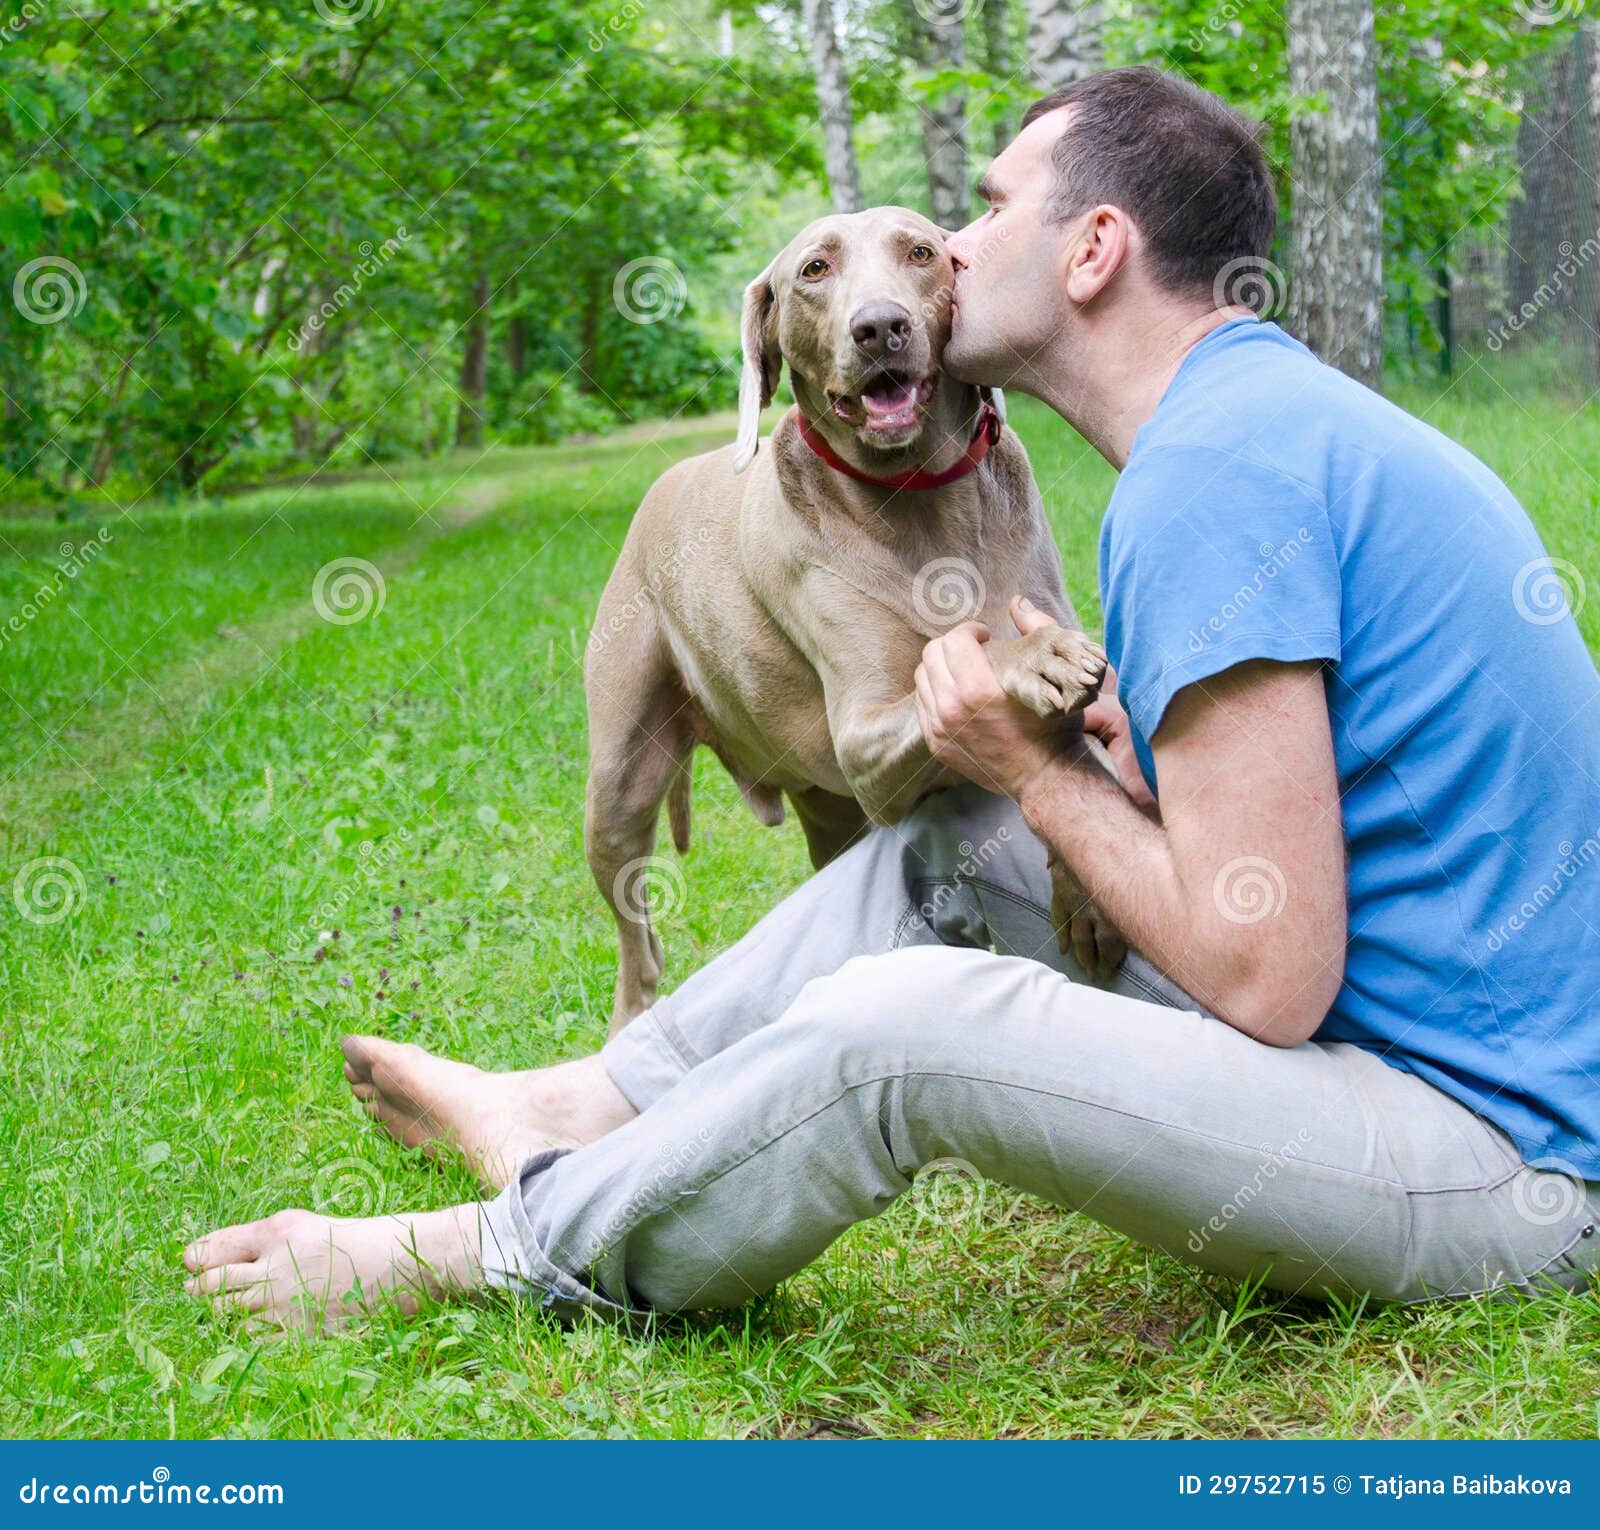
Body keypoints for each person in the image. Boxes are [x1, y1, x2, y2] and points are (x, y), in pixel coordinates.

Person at [185, 67, 1600, 1328]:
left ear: (1095, 250)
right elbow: (1293, 835)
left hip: (1499, 1154)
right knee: (953, 849)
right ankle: (568, 1105)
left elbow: (1266, 975)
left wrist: (1043, 771)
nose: (951, 249)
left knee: (913, 1026)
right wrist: (1083, 770)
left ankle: (494, 1246)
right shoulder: (1255, 422)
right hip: (1424, 1053)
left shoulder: (1215, 476)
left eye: (986, 212)